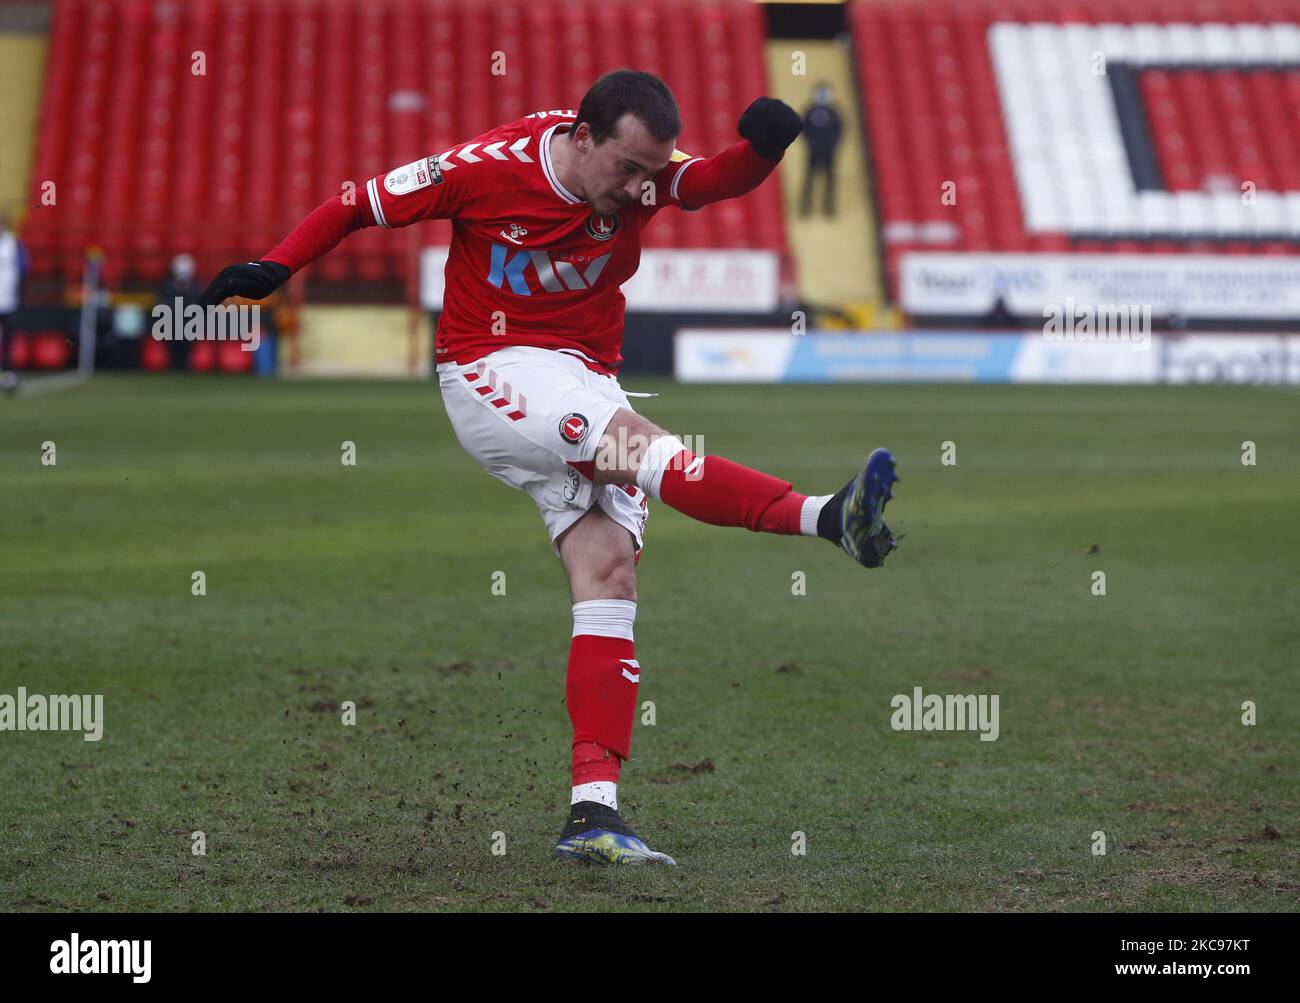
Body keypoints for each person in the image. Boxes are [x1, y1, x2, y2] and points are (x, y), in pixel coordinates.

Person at [200, 69, 899, 866]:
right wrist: (275, 267)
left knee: (608, 576)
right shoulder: (486, 169)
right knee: (642, 448)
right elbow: (357, 204)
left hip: (582, 371)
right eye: (628, 168)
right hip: (489, 365)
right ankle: (824, 516)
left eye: (649, 172)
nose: (640, 187)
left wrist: (765, 151)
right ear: (580, 137)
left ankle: (592, 814)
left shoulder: (640, 171)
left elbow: (705, 182)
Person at [800, 83, 844, 218]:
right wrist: (810, 143)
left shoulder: (834, 112)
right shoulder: (810, 111)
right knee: (809, 178)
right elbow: (803, 129)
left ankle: (829, 206)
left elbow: (840, 131)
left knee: (830, 179)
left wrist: (833, 145)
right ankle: (806, 206)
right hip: (813, 151)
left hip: (829, 152)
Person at [0, 212, 30, 385]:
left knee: (8, 339)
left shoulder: (14, 244)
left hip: (8, 300)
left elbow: (25, 268)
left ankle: (9, 372)